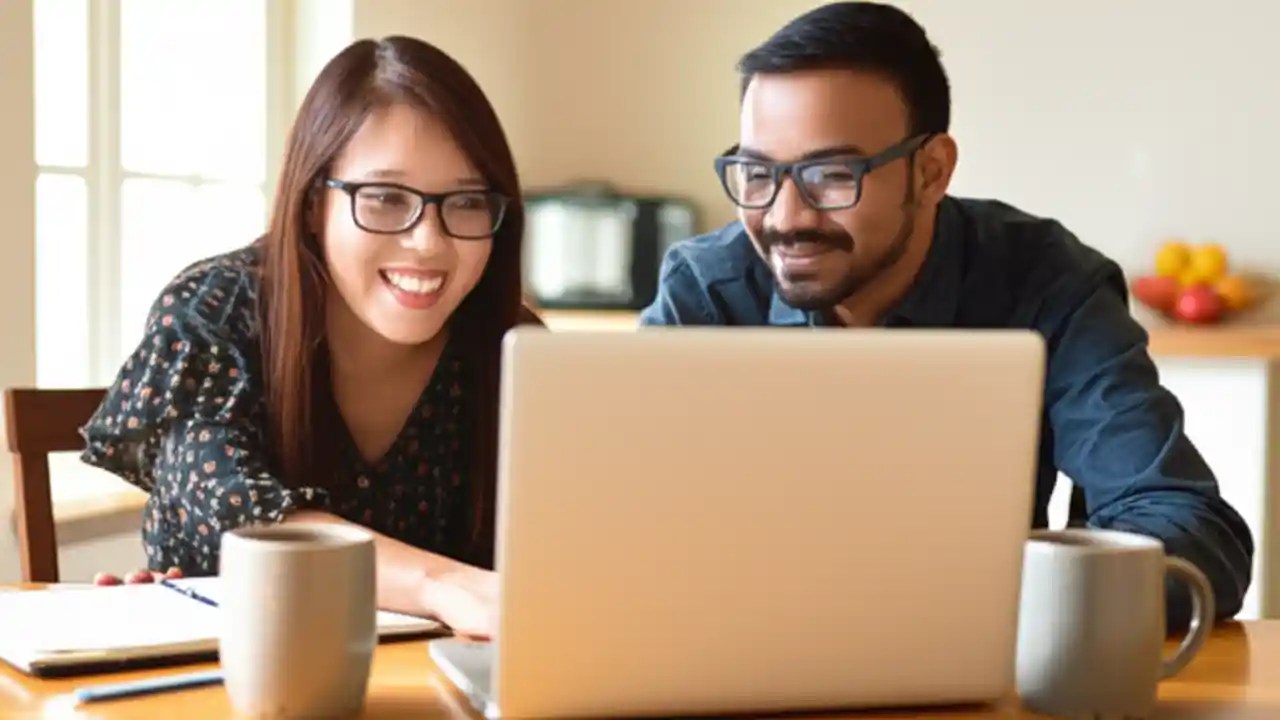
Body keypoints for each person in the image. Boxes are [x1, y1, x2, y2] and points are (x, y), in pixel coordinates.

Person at [638, 1, 1254, 630]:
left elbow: (1194, 534)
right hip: (741, 654)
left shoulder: (1048, 283)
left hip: (978, 670)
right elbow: (618, 518)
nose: (784, 216)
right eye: (758, 172)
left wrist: (992, 597)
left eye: (830, 175)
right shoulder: (706, 293)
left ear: (931, 172)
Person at [80, 36, 538, 639]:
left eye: (468, 201)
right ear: (310, 204)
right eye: (384, 197)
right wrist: (443, 586)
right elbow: (239, 515)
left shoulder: (517, 351)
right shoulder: (212, 313)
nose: (429, 241)